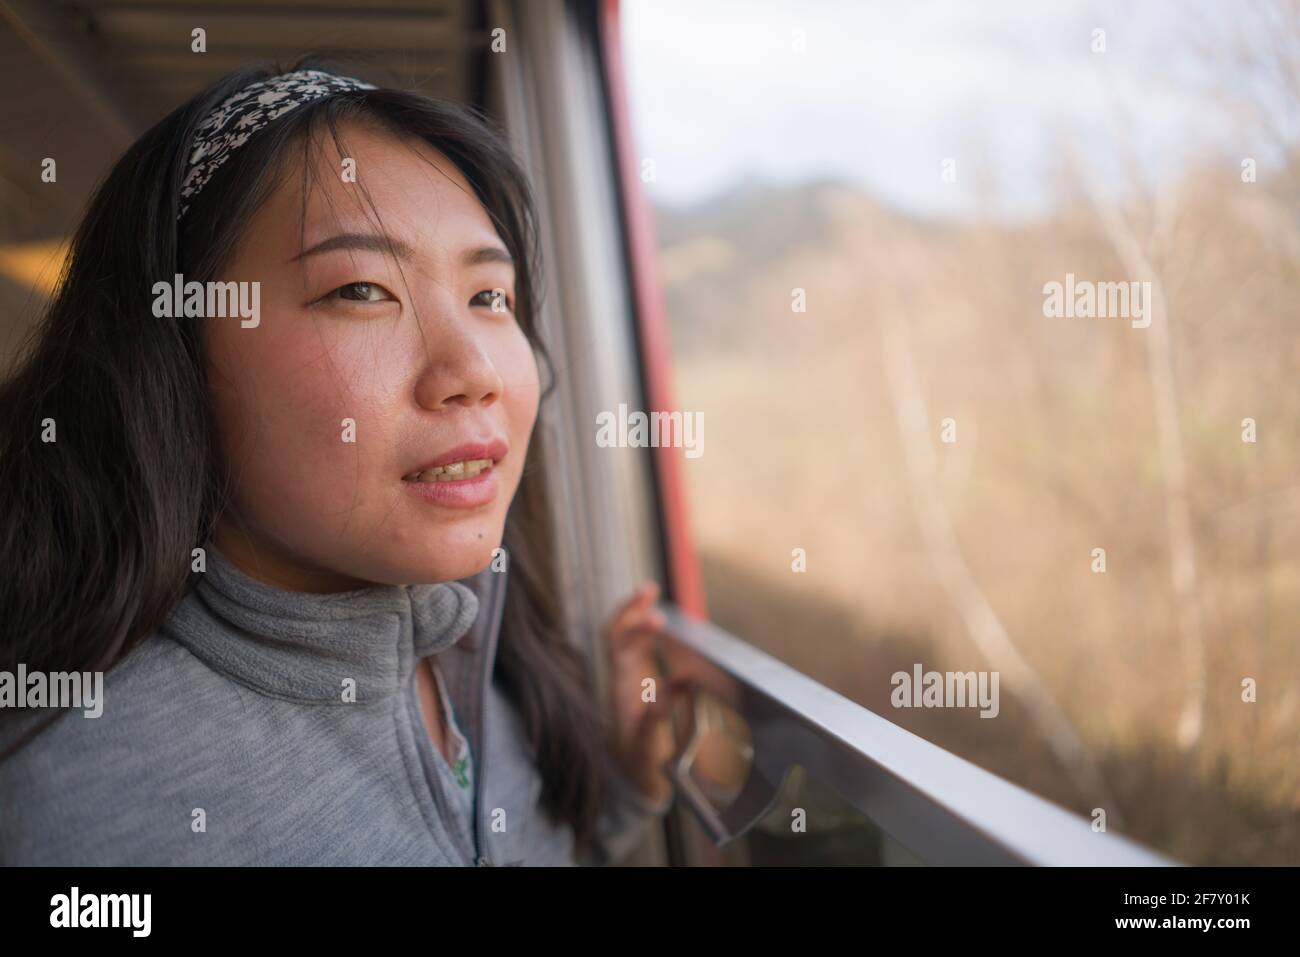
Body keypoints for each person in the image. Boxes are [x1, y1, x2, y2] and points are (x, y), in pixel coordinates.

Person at [0, 61, 681, 865]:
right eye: (361, 290)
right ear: (171, 356)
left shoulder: (480, 637)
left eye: (489, 296)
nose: (474, 372)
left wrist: (626, 784)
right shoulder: (89, 810)